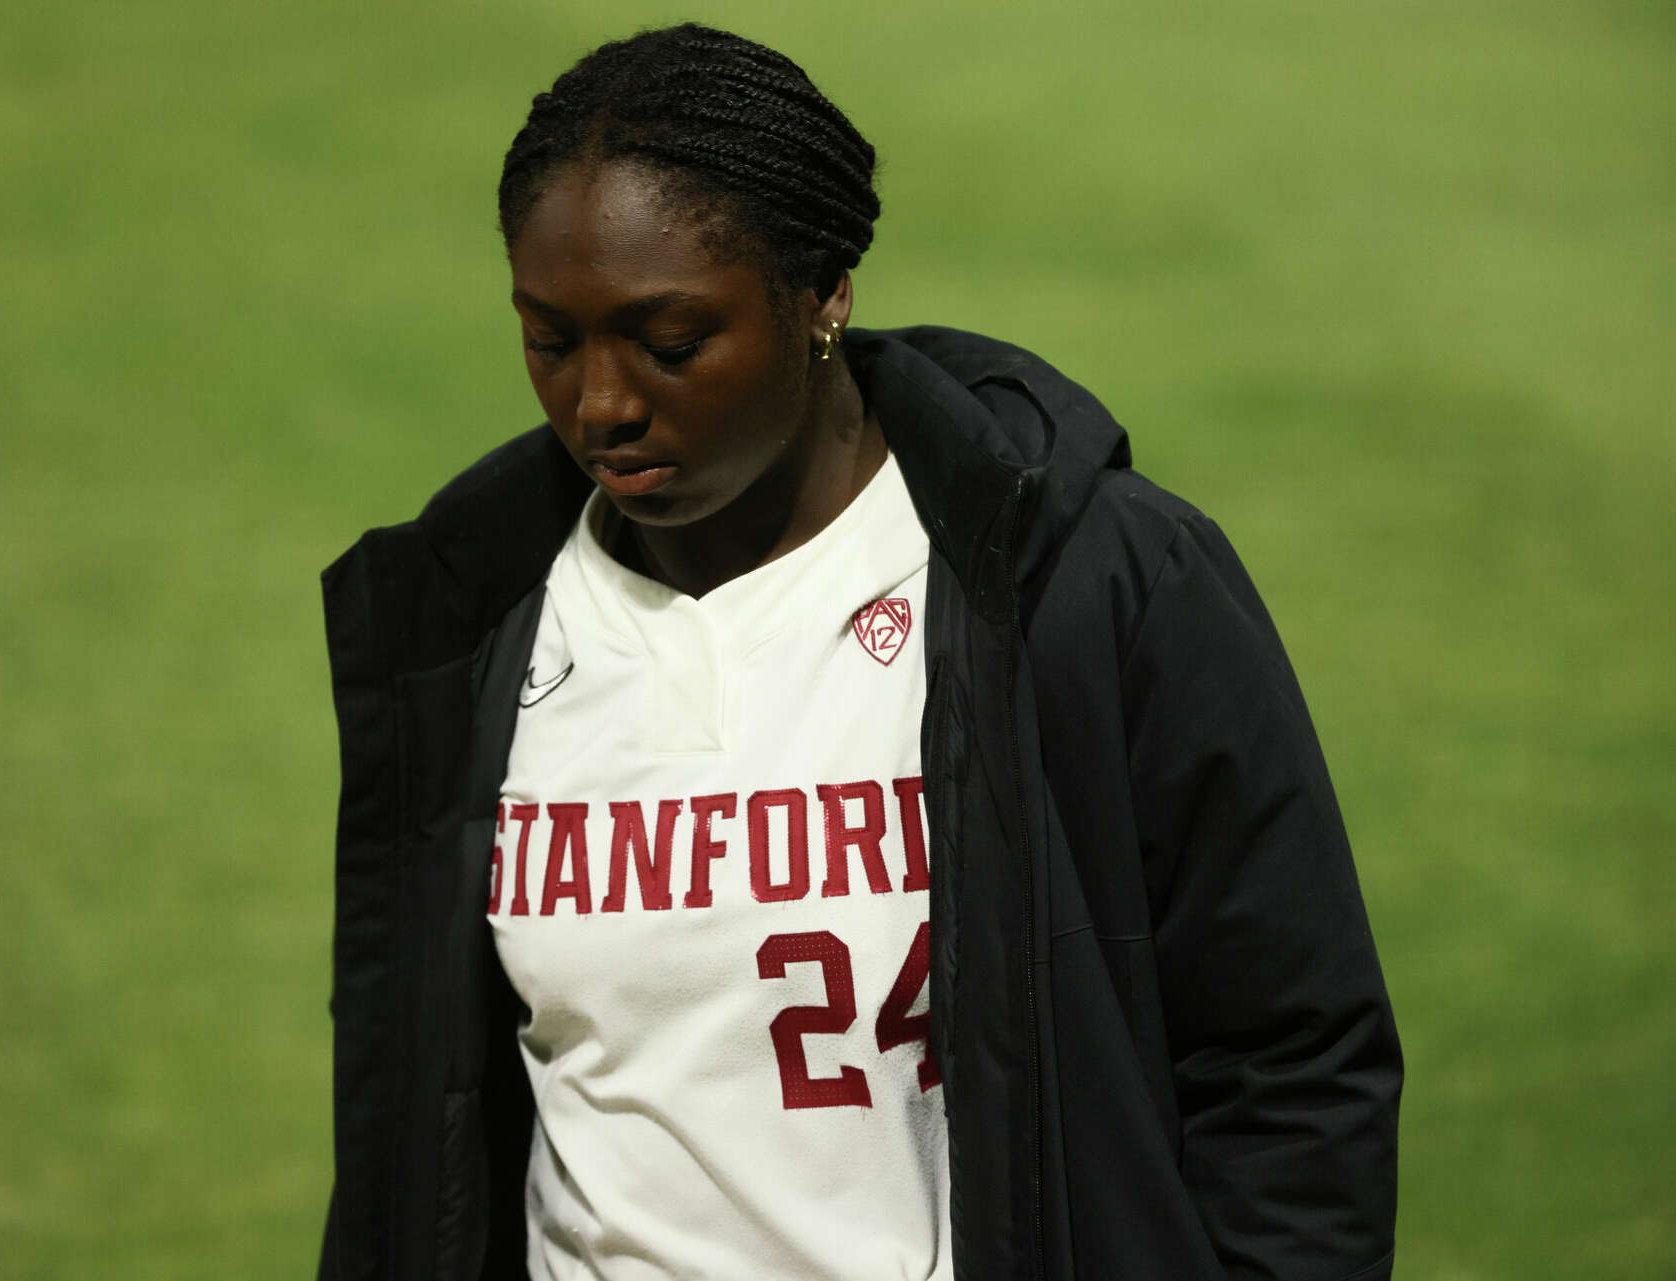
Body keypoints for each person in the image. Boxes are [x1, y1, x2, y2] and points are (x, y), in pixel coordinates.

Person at [317, 22, 1401, 1281]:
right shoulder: (462, 630)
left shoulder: (1086, 585)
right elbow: (417, 1127)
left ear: (824, 293)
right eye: (551, 340)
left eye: (669, 343)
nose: (601, 404)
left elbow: (1290, 1057)